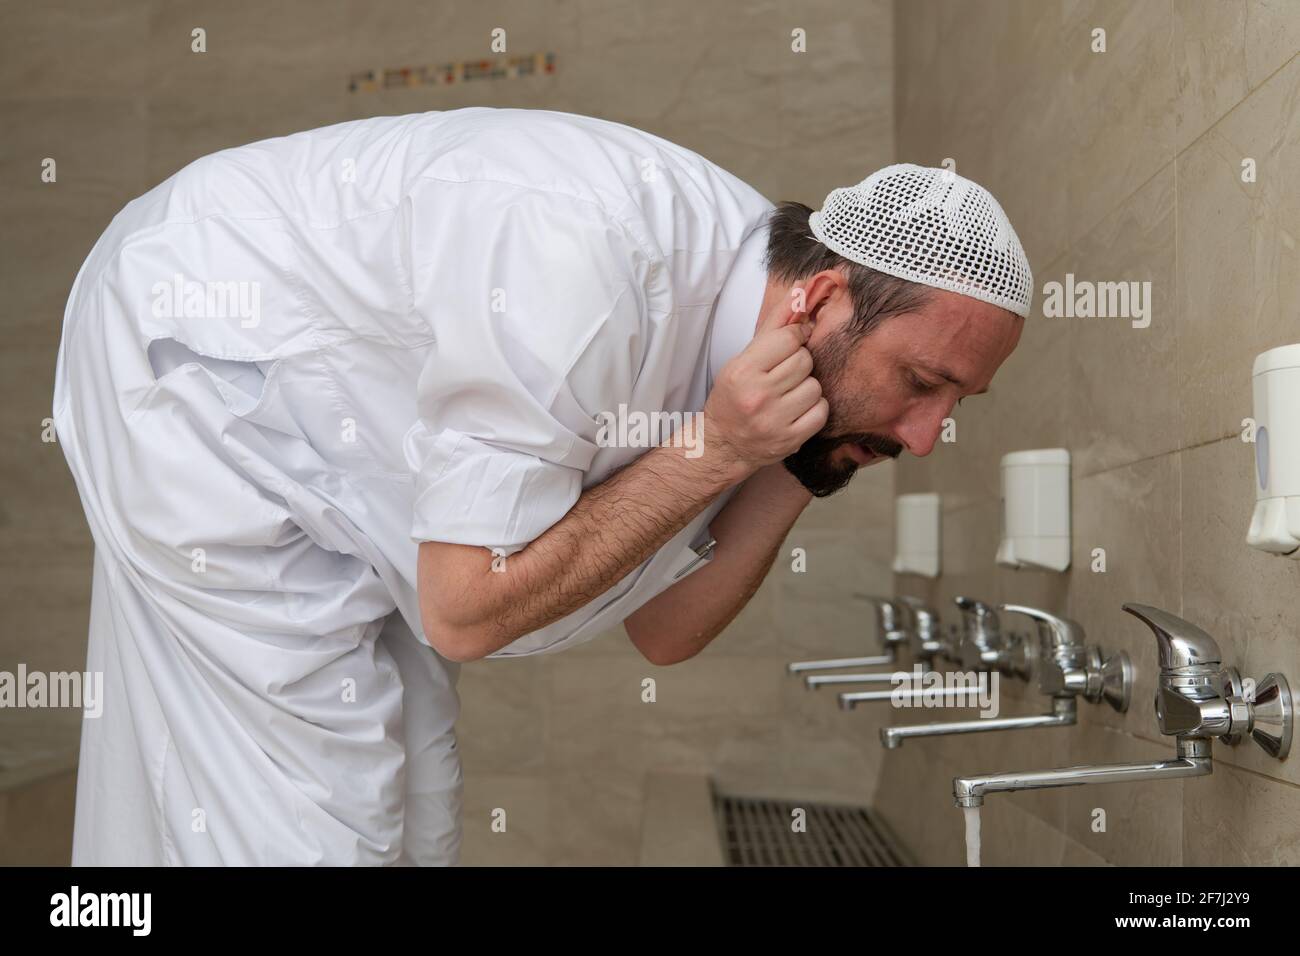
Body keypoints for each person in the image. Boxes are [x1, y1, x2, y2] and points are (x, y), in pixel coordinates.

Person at [52, 107, 1032, 865]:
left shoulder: (780, 333)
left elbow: (666, 630)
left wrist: (799, 455)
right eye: (920, 385)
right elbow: (467, 611)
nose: (926, 435)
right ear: (821, 300)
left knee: (418, 804)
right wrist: (718, 449)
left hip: (345, 451)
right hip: (203, 355)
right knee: (304, 814)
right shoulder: (587, 266)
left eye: (956, 402)